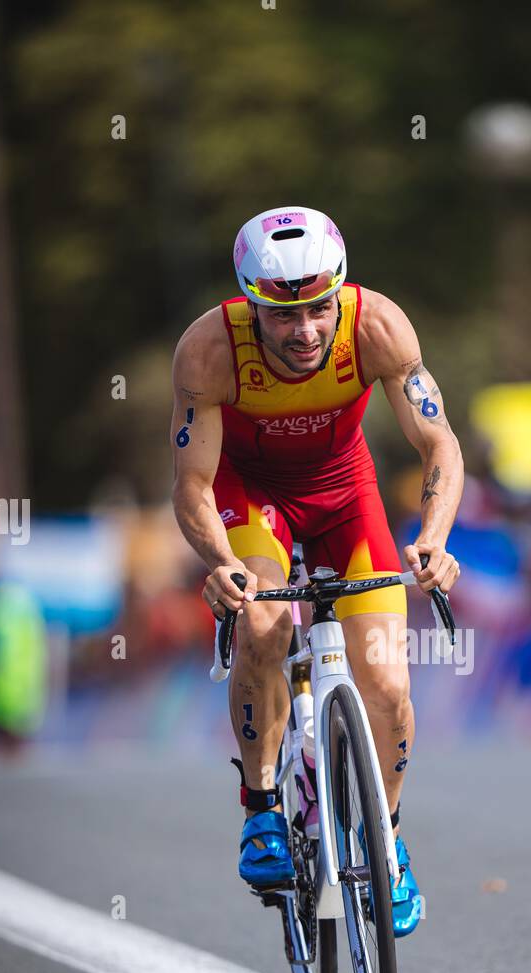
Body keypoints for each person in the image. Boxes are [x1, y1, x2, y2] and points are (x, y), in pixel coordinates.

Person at [170, 206, 462, 935]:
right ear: (252, 306)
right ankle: (263, 806)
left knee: (388, 681)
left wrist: (433, 537)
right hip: (251, 497)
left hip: (345, 493)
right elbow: (193, 485)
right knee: (264, 623)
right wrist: (224, 564)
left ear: (341, 290)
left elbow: (439, 446)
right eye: (284, 316)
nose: (305, 332)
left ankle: (385, 840)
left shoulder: (378, 327)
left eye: (318, 310)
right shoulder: (209, 349)